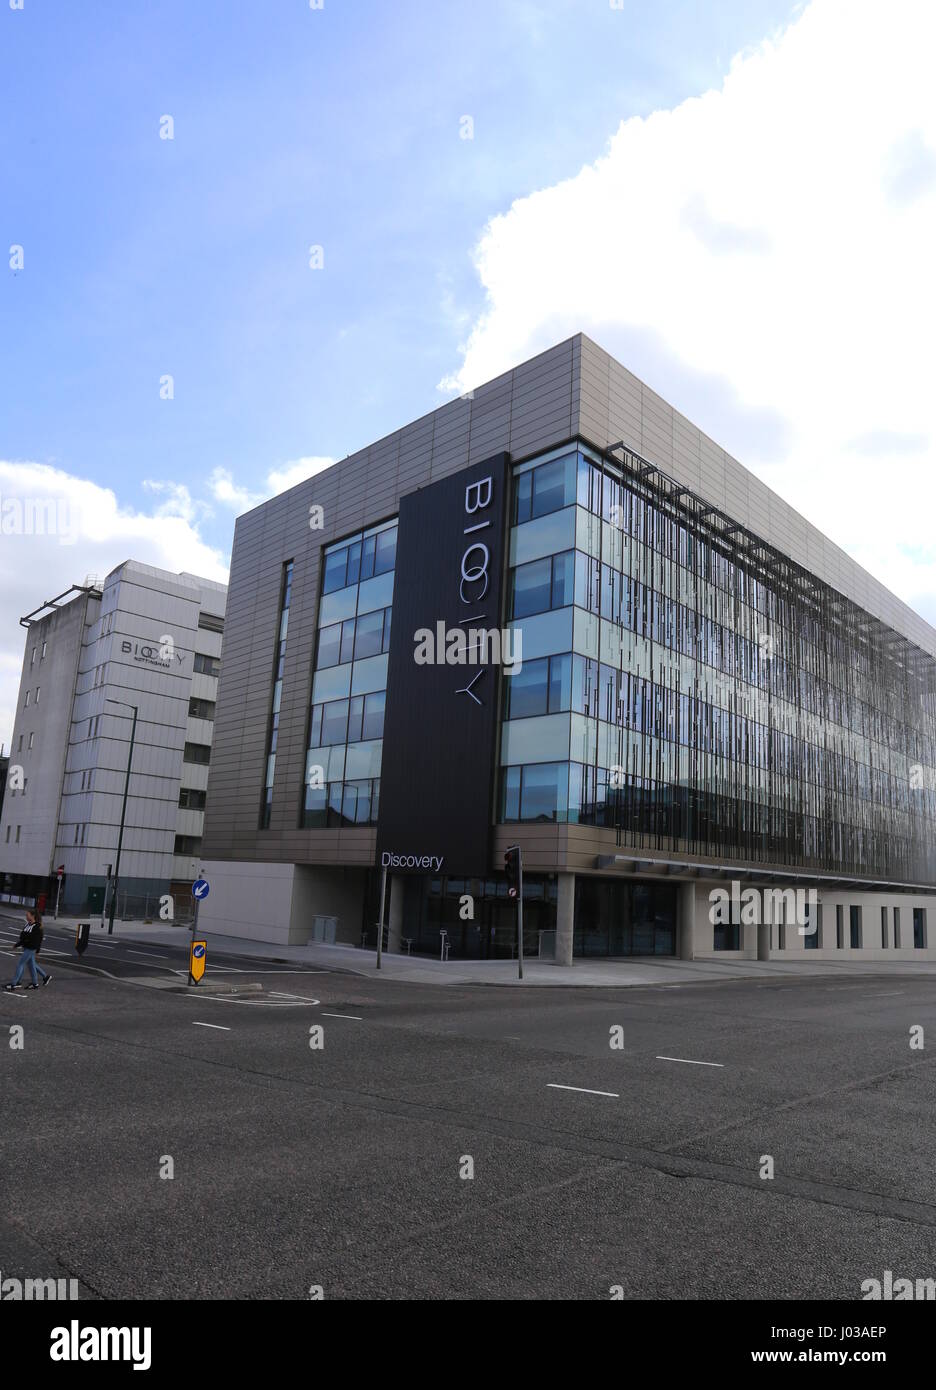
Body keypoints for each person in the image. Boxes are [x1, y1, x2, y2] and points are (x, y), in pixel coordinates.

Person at [4, 908, 52, 991]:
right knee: (32, 965)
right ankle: (36, 983)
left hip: (30, 948)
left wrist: (37, 951)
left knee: (20, 964)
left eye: (27, 915)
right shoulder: (27, 925)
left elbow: (37, 940)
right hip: (26, 947)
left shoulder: (37, 926)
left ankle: (14, 984)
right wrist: (18, 944)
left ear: (32, 916)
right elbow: (23, 936)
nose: (26, 916)